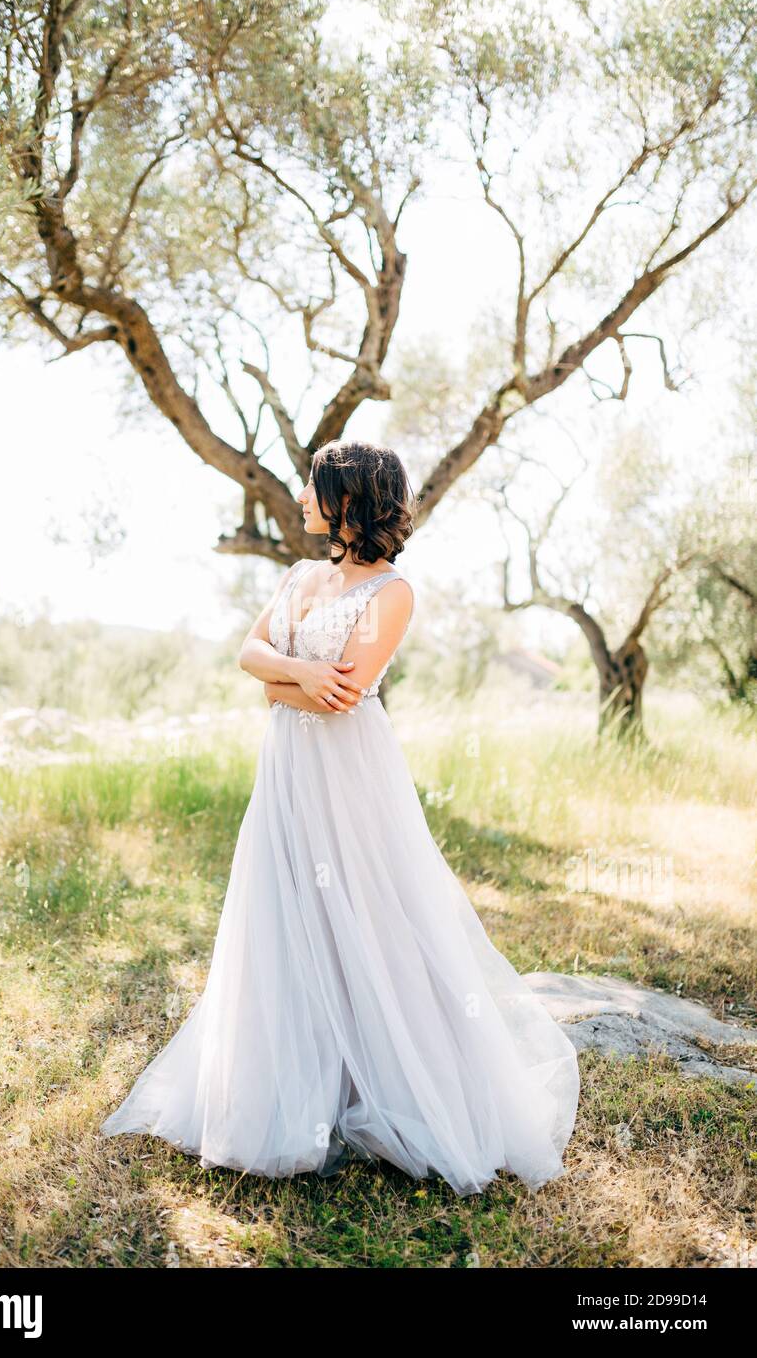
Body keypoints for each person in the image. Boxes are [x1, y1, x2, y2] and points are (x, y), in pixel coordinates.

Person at [100, 441, 580, 1196]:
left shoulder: (392, 592)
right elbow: (250, 653)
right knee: (284, 905)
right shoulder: (299, 575)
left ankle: (393, 1079)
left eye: (312, 485)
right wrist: (295, 671)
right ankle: (294, 1086)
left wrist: (282, 683)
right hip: (286, 770)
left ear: (349, 498)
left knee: (367, 909)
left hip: (350, 774)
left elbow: (343, 696)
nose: (300, 496)